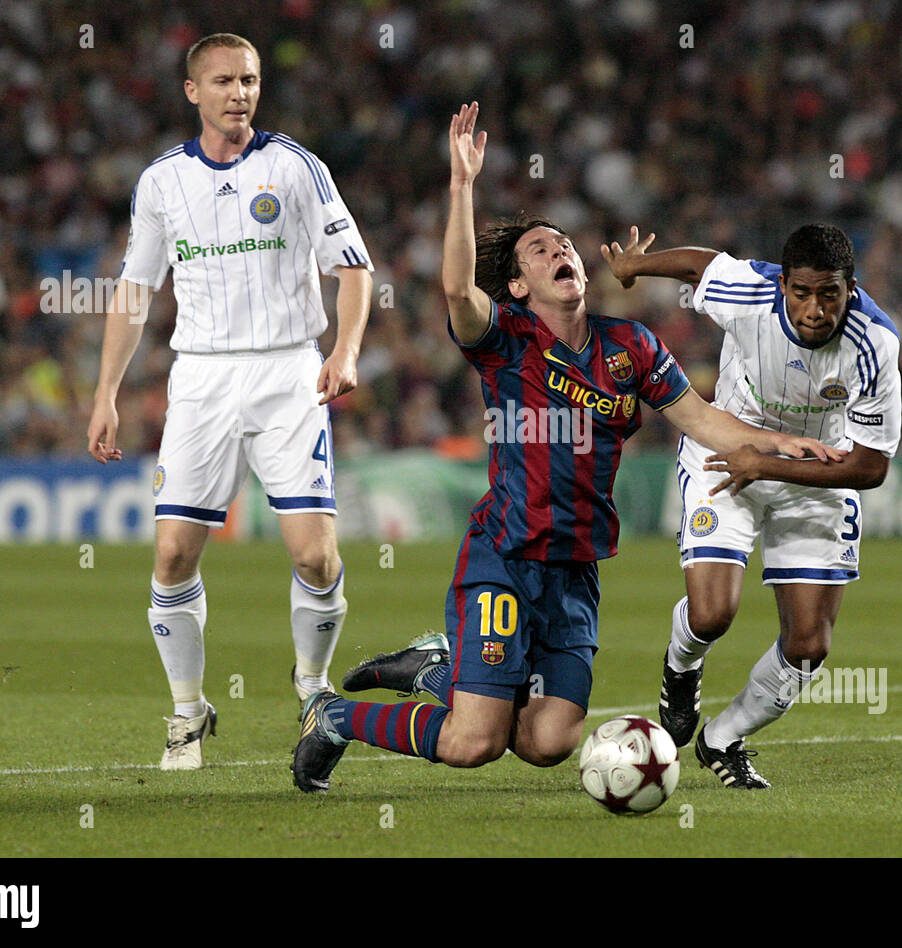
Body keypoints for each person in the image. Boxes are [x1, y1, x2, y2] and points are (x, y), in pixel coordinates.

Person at [290, 103, 840, 793]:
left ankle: (439, 669)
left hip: (575, 570)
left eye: (565, 247)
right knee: (473, 743)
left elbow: (702, 421)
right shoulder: (506, 340)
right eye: (540, 251)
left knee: (548, 743)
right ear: (519, 285)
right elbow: (458, 286)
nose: (561, 254)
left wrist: (777, 440)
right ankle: (337, 717)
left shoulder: (630, 347)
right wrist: (461, 186)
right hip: (505, 556)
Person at [86, 33, 374, 770]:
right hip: (202, 380)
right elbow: (134, 292)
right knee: (175, 553)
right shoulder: (160, 183)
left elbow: (354, 268)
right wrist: (107, 393)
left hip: (287, 375)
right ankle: (188, 711)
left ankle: (313, 688)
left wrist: (343, 352)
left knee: (314, 556)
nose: (239, 92)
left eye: (248, 79)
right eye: (222, 81)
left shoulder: (297, 167)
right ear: (193, 92)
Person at [599, 223, 901, 788]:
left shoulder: (876, 344)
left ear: (851, 288)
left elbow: (870, 467)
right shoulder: (749, 292)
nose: (816, 309)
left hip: (816, 476)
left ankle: (724, 738)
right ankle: (681, 668)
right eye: (803, 292)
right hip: (725, 452)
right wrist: (634, 267)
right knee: (713, 614)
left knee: (809, 646)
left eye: (830, 294)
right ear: (783, 284)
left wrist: (768, 464)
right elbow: (699, 264)